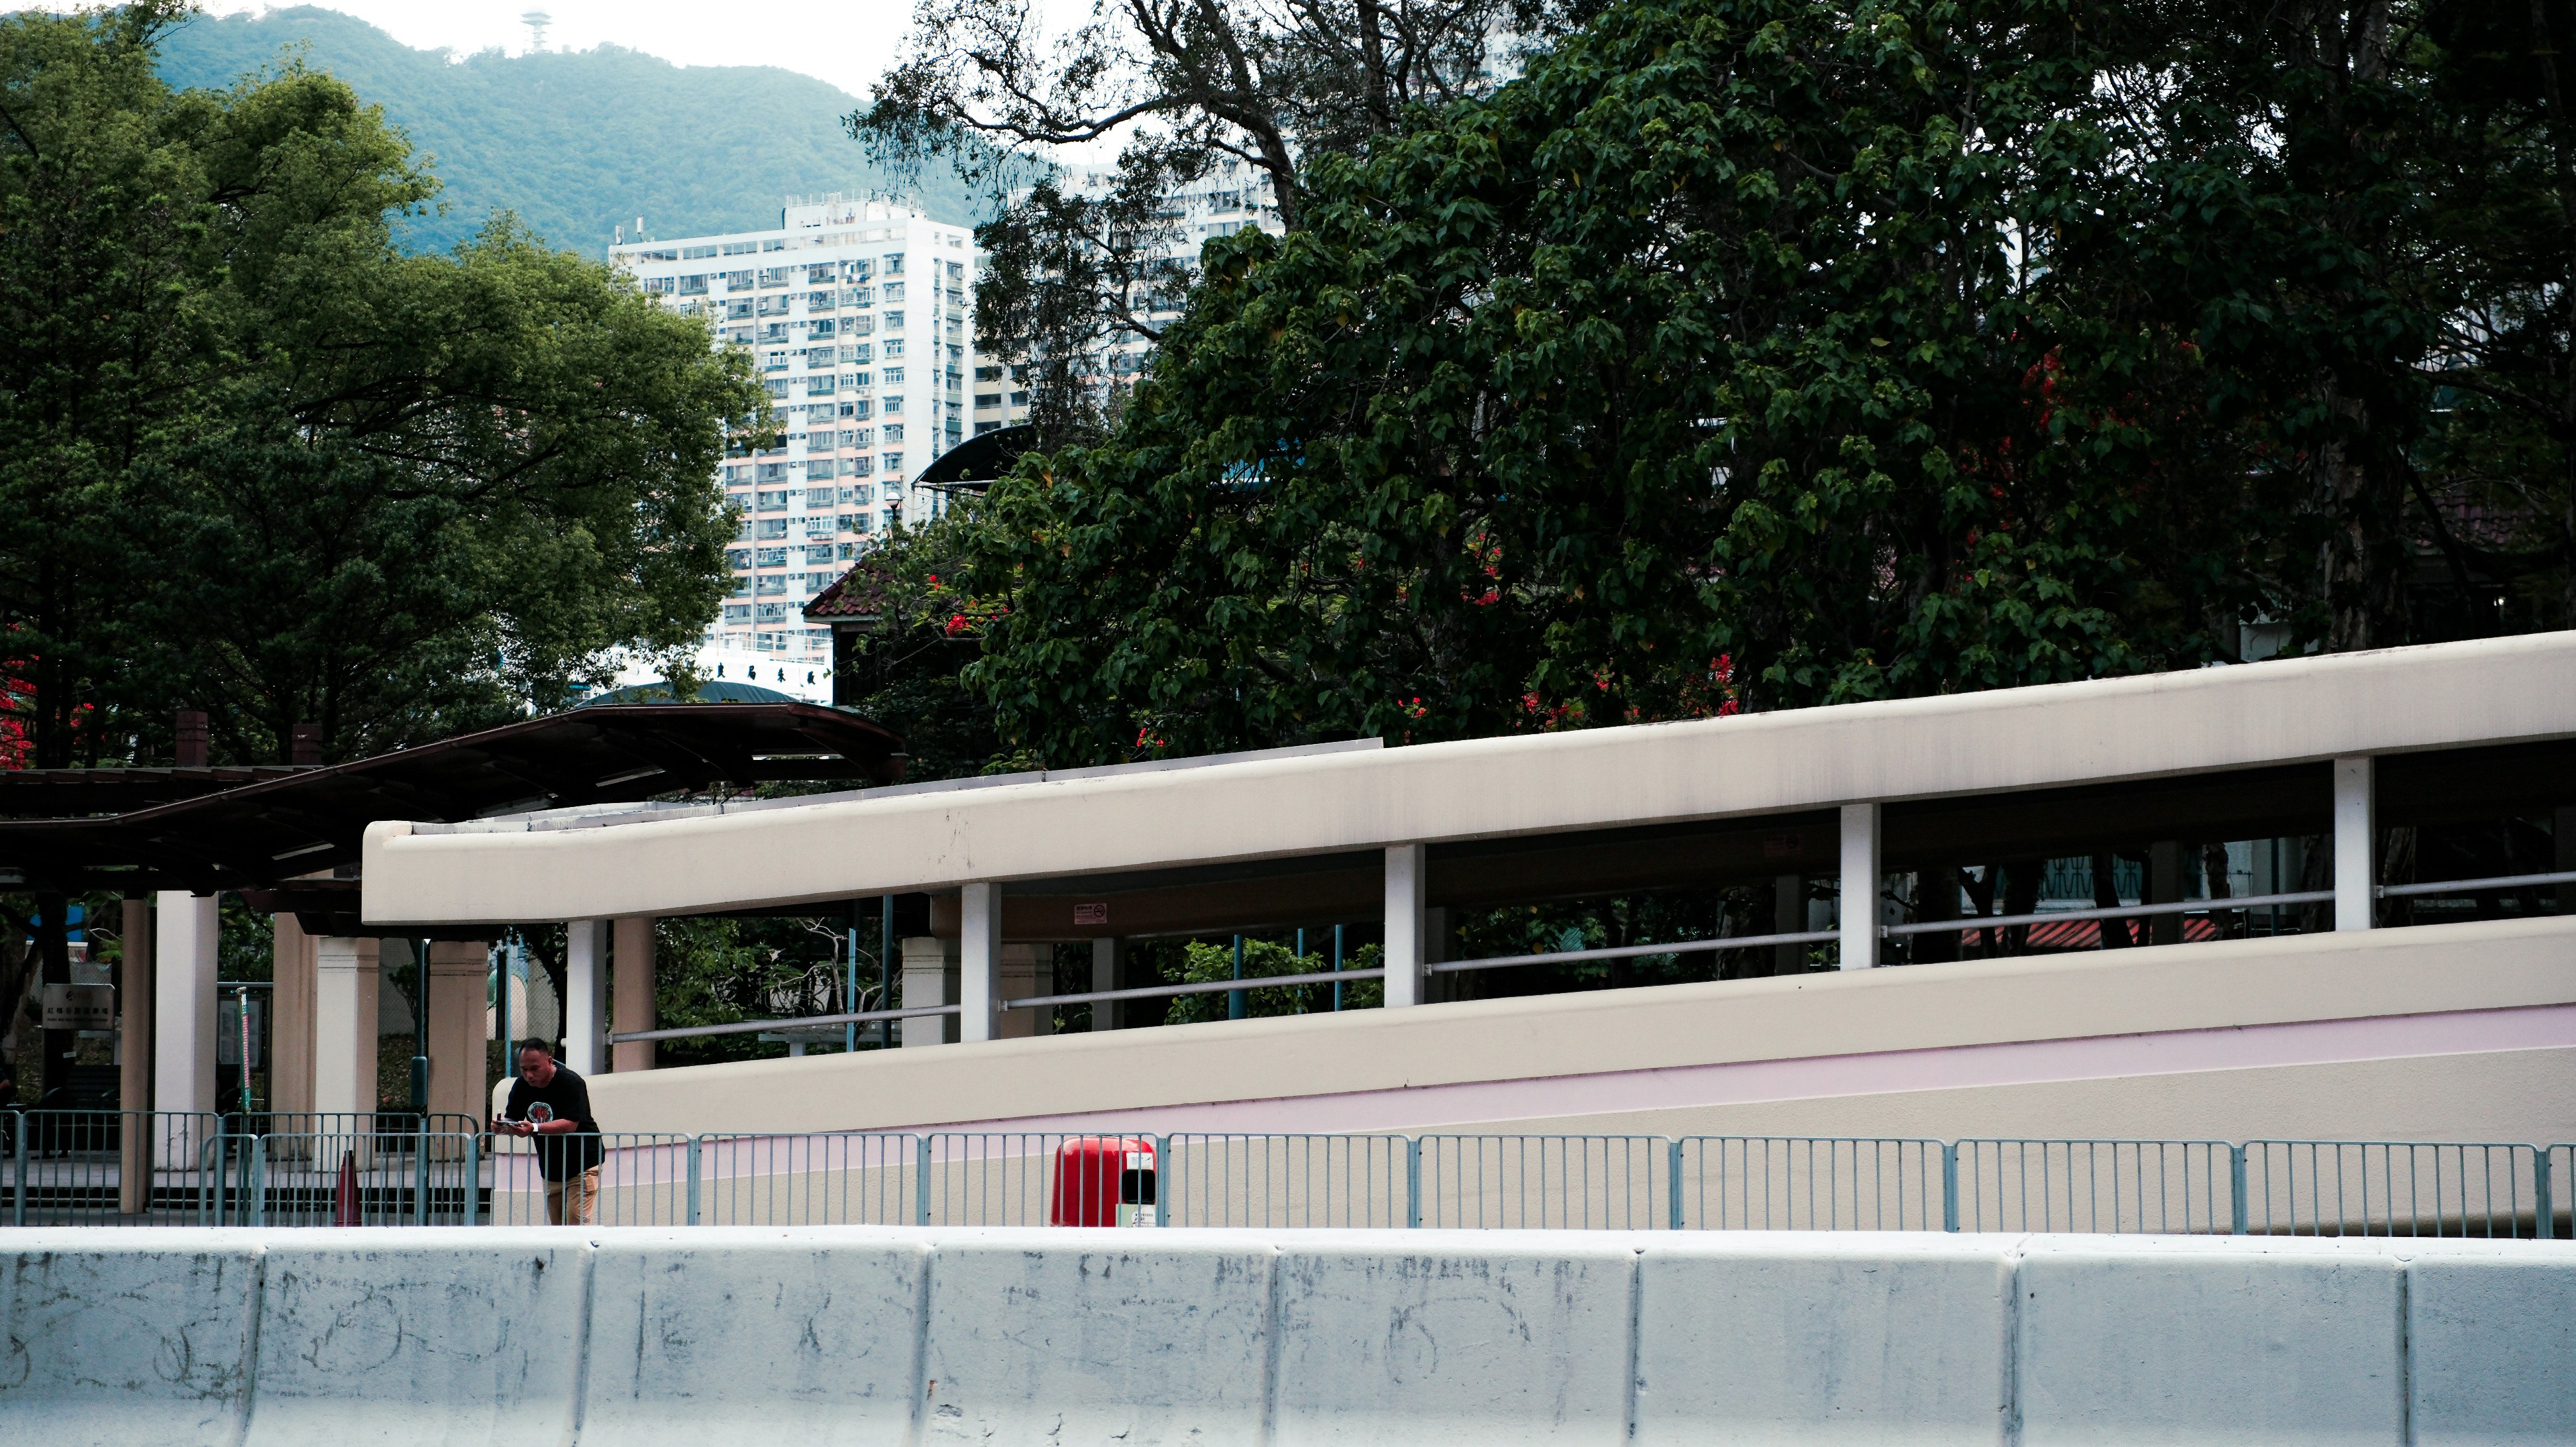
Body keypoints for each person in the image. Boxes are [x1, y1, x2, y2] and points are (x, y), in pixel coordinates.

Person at [494, 1039, 604, 1224]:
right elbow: (512, 1118)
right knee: (558, 1228)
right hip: (551, 1168)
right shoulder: (521, 1086)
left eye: (535, 1068)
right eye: (523, 1069)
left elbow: (571, 1124)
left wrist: (534, 1128)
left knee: (576, 1225)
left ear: (550, 1061)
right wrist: (501, 1126)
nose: (529, 1075)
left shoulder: (571, 1082)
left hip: (582, 1164)